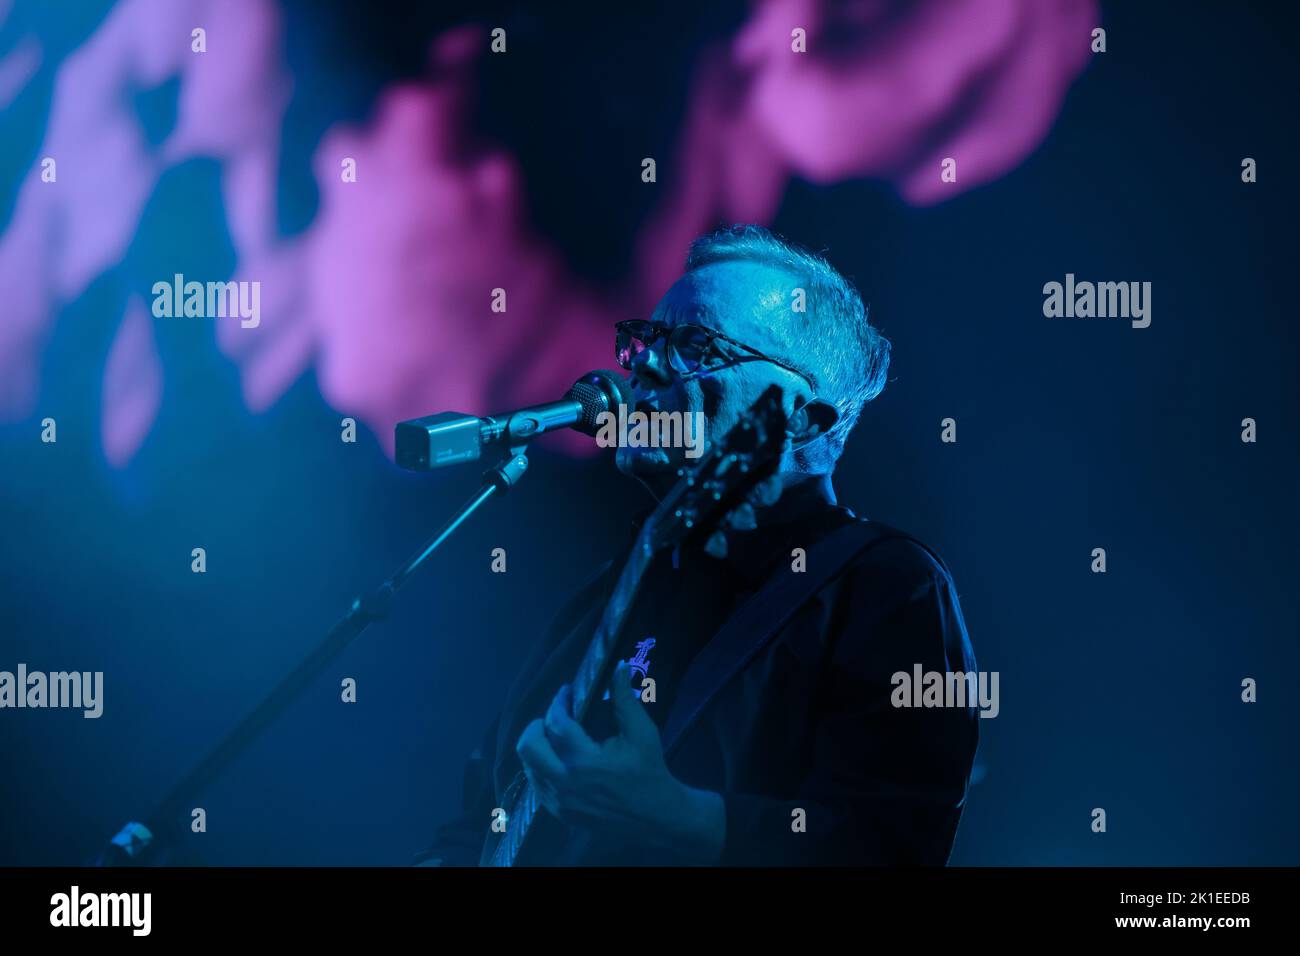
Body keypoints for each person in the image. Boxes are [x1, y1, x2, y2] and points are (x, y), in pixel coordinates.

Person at [417, 224, 978, 866]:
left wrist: (685, 821)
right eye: (647, 339)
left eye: (693, 344)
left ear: (801, 416)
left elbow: (892, 850)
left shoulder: (885, 586)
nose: (645, 366)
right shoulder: (609, 592)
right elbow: (479, 811)